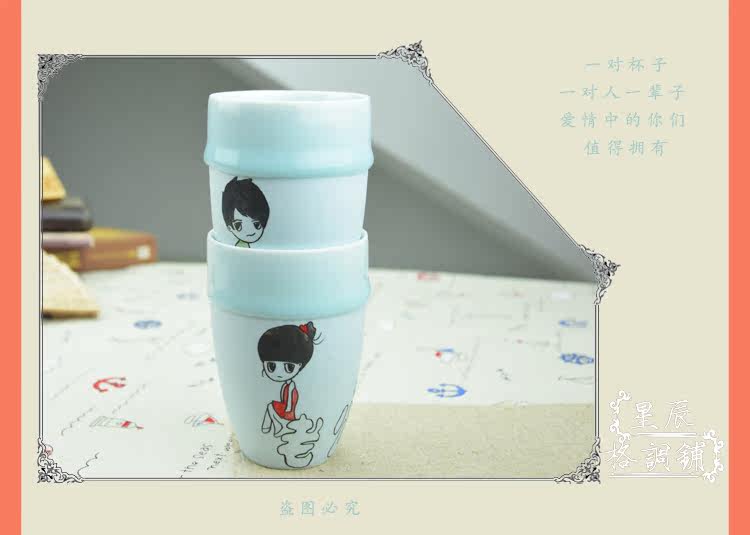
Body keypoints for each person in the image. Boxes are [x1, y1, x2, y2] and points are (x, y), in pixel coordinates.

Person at [258, 322, 320, 436]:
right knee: (271, 407)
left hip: (288, 411)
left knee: (271, 407)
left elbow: (291, 401)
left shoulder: (291, 386)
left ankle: (274, 427)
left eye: (289, 367)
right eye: (271, 366)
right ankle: (273, 427)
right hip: (285, 408)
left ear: (299, 366)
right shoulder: (286, 385)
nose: (279, 373)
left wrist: (287, 413)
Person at [221, 177, 269, 247]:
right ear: (229, 228)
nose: (250, 230)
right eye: (238, 225)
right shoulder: (240, 246)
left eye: (256, 224)